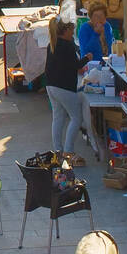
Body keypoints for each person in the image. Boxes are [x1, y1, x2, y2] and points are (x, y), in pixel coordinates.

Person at [45, 15, 89, 165]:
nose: (73, 33)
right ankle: (68, 150)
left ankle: (58, 151)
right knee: (76, 117)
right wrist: (88, 58)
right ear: (65, 31)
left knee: (58, 118)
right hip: (64, 87)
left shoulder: (52, 43)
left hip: (51, 85)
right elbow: (76, 66)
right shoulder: (67, 45)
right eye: (71, 30)